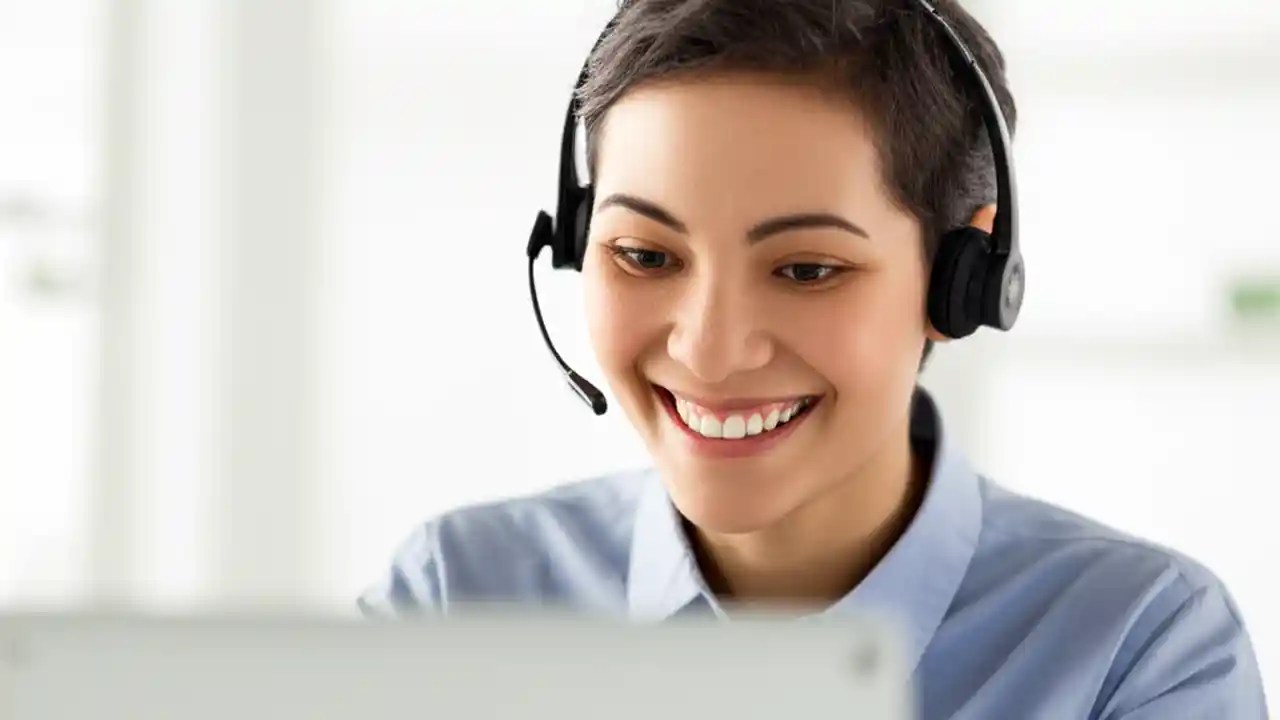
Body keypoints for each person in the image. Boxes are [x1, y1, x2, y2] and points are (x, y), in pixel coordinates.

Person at [359, 0, 1268, 716]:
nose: (710, 350)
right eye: (644, 255)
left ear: (961, 281)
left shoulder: (1136, 650)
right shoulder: (454, 598)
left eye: (805, 269)